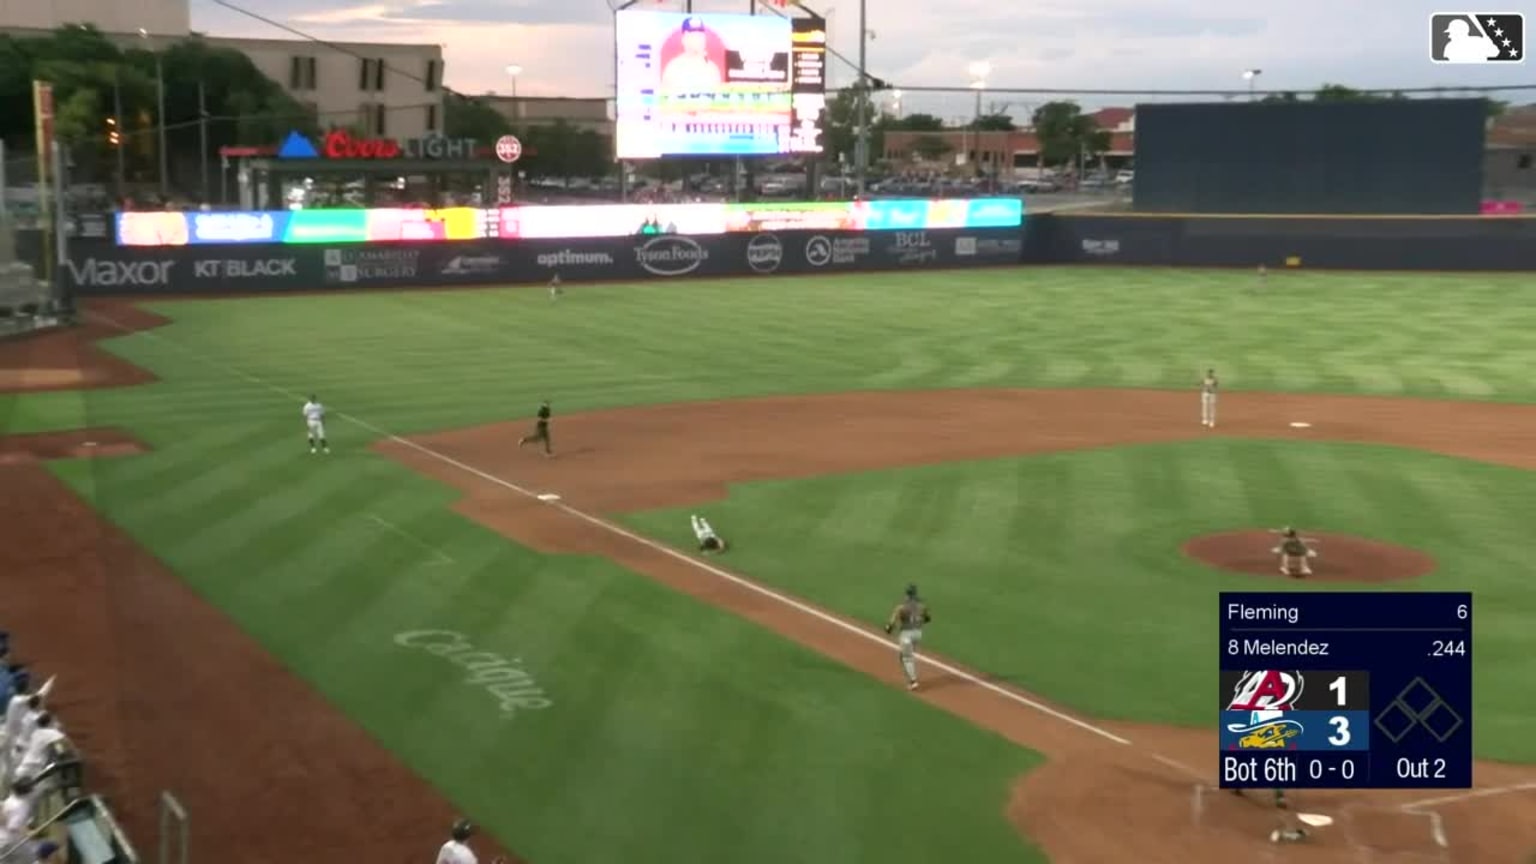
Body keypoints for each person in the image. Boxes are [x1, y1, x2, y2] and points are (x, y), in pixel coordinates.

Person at [884, 584, 931, 691]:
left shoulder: (901, 607)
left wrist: (888, 629)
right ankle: (910, 674)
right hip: (918, 634)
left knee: (907, 658)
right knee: (903, 655)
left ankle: (913, 681)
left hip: (906, 634)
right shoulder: (922, 606)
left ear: (907, 594)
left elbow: (890, 625)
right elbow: (928, 619)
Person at [661, 17, 724, 91]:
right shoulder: (674, 68)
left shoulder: (712, 68)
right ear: (684, 39)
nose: (698, 40)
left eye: (700, 36)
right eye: (694, 36)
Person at [12, 715, 64, 786]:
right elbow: (62, 748)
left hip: (24, 767)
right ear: (49, 723)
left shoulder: (36, 733)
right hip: (34, 770)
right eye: (53, 721)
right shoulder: (51, 733)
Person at [0, 777, 37, 861]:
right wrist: (28, 833)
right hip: (11, 842)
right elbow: (13, 826)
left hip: (2, 840)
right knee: (32, 860)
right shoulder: (21, 806)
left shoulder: (9, 801)